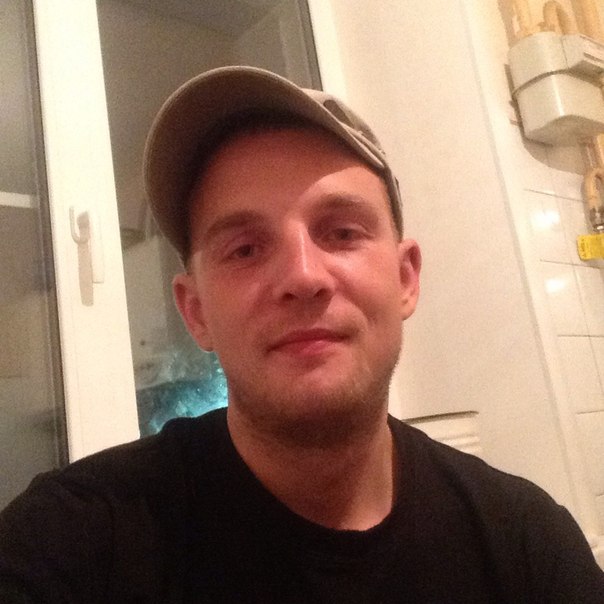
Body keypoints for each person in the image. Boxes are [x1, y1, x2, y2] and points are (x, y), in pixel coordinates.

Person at [0, 66, 602, 603]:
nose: (303, 277)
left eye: (341, 232)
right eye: (245, 248)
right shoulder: (70, 542)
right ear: (196, 312)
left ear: (405, 278)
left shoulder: (527, 542)